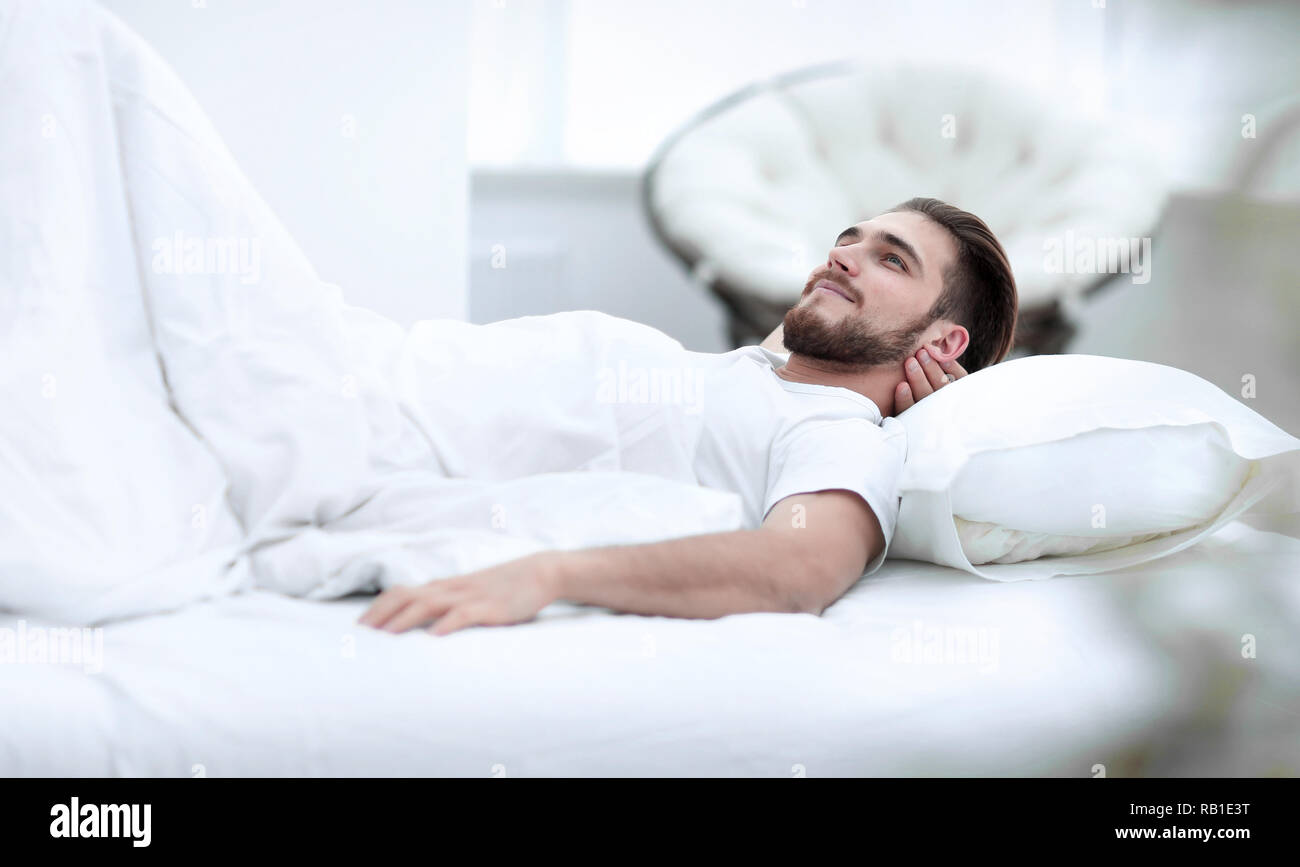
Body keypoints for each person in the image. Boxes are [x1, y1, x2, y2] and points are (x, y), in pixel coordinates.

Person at [360, 196, 1019, 636]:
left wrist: (549, 573)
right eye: (849, 240)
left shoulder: (840, 435)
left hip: (381, 432)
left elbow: (798, 569)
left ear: (942, 344)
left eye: (891, 258)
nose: (841, 255)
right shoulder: (767, 373)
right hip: (386, 372)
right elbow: (806, 343)